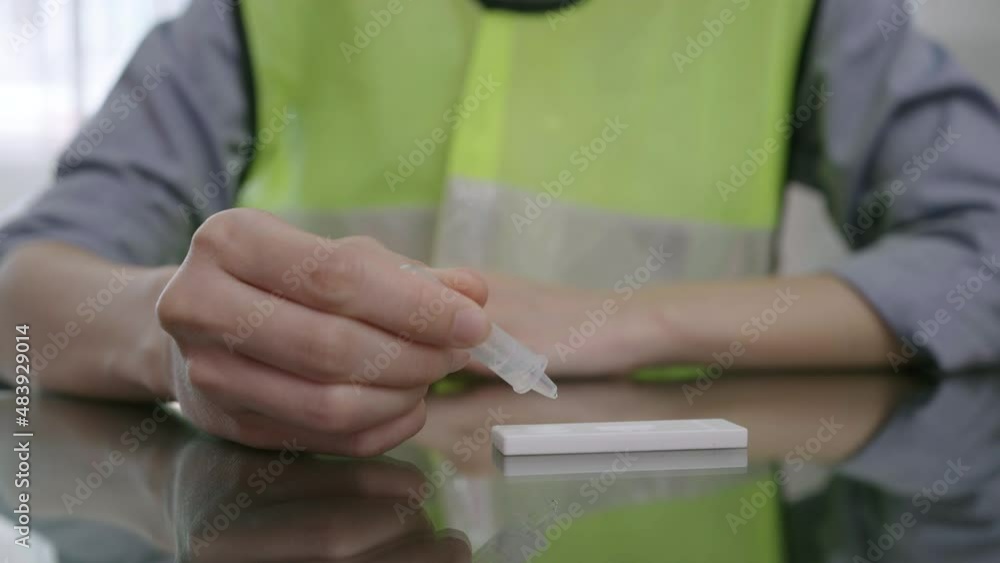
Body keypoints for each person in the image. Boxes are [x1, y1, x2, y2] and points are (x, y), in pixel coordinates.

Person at [1, 0, 999, 456]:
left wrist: (624, 319)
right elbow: (20, 288)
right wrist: (166, 340)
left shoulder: (810, 15)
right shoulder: (246, 19)